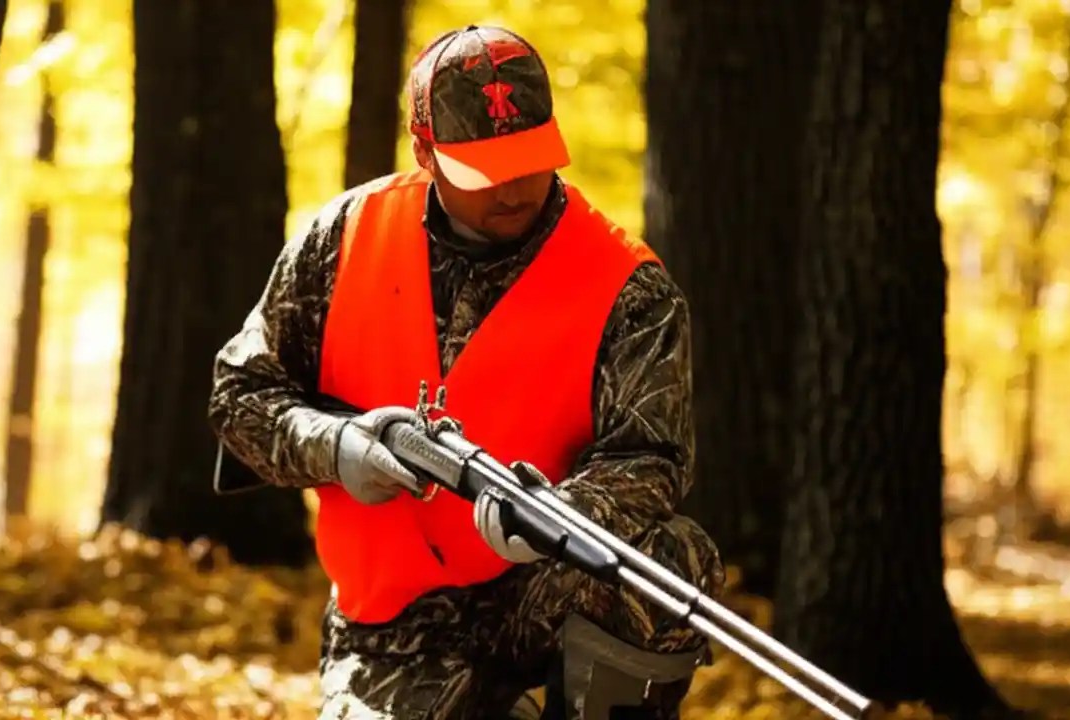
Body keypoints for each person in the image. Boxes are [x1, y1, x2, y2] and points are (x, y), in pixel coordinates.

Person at [208, 24, 725, 720]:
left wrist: (557, 517)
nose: (513, 187)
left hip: (541, 586)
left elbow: (652, 460)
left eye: (530, 158)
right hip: (393, 627)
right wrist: (336, 447)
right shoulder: (345, 235)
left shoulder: (628, 285)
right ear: (425, 151)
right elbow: (240, 394)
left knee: (672, 564)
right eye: (485, 169)